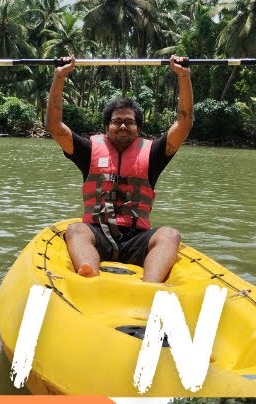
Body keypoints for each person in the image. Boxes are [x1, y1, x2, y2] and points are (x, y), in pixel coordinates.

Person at [46, 56, 193, 283]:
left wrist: (183, 76)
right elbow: (55, 127)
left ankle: (150, 287)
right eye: (116, 121)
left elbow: (183, 124)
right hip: (97, 234)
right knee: (76, 229)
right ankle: (89, 279)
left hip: (137, 239)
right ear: (106, 127)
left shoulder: (154, 153)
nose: (123, 125)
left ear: (138, 128)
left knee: (170, 234)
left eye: (129, 121)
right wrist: (59, 76)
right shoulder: (88, 150)